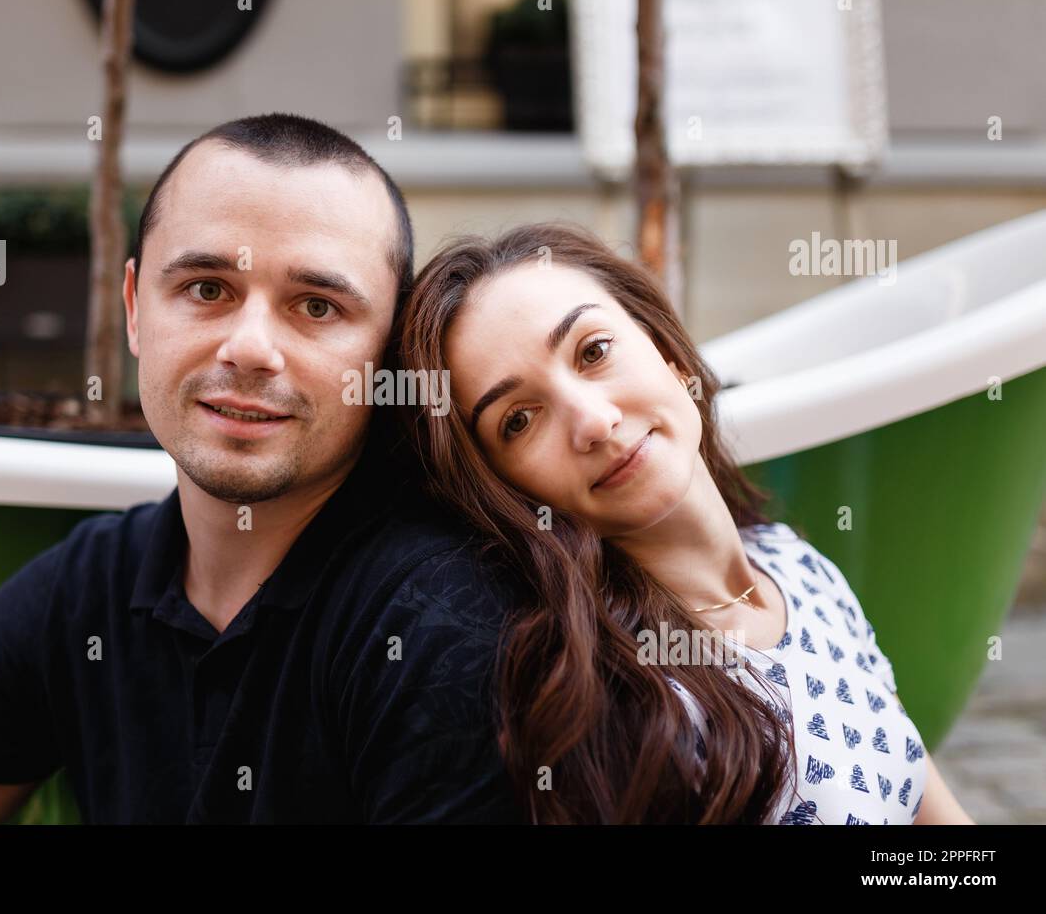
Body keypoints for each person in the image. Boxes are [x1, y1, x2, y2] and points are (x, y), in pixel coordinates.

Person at [0, 114, 525, 824]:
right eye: (206, 289)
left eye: (317, 306)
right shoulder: (88, 591)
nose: (250, 348)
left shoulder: (441, 626)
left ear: (389, 349)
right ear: (134, 309)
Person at [396, 222, 974, 825]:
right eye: (518, 420)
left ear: (668, 355)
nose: (592, 421)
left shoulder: (801, 569)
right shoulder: (612, 697)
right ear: (505, 487)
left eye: (593, 352)